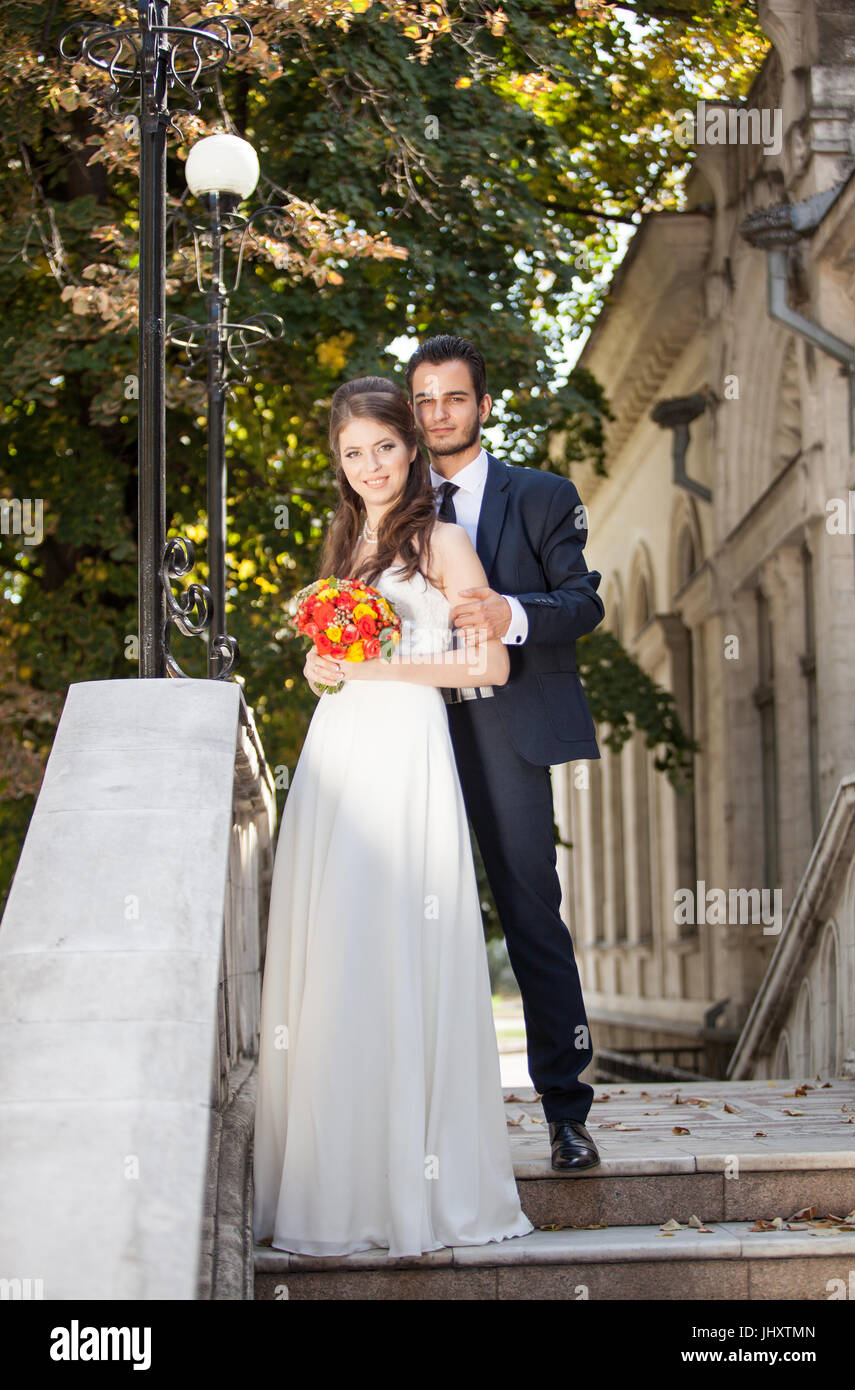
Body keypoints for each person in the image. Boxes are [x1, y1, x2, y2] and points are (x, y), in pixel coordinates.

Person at [253, 375, 534, 1257]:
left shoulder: (444, 540)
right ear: (337, 465)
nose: (370, 465)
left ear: (411, 449)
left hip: (408, 754)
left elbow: (486, 666)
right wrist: (320, 671)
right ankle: (337, 1191)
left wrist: (378, 672)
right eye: (352, 453)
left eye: (384, 446)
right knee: (336, 955)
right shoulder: (346, 544)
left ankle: (416, 1192)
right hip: (339, 753)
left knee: (397, 949)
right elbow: (336, 654)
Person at [397, 334, 605, 1173]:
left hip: (508, 725)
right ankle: (416, 1112)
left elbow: (581, 603)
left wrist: (508, 616)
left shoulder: (545, 496)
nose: (439, 414)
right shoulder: (386, 500)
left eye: (455, 398)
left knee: (529, 911)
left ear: (484, 405)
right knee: (406, 915)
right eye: (424, 400)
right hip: (413, 733)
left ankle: (565, 1112)